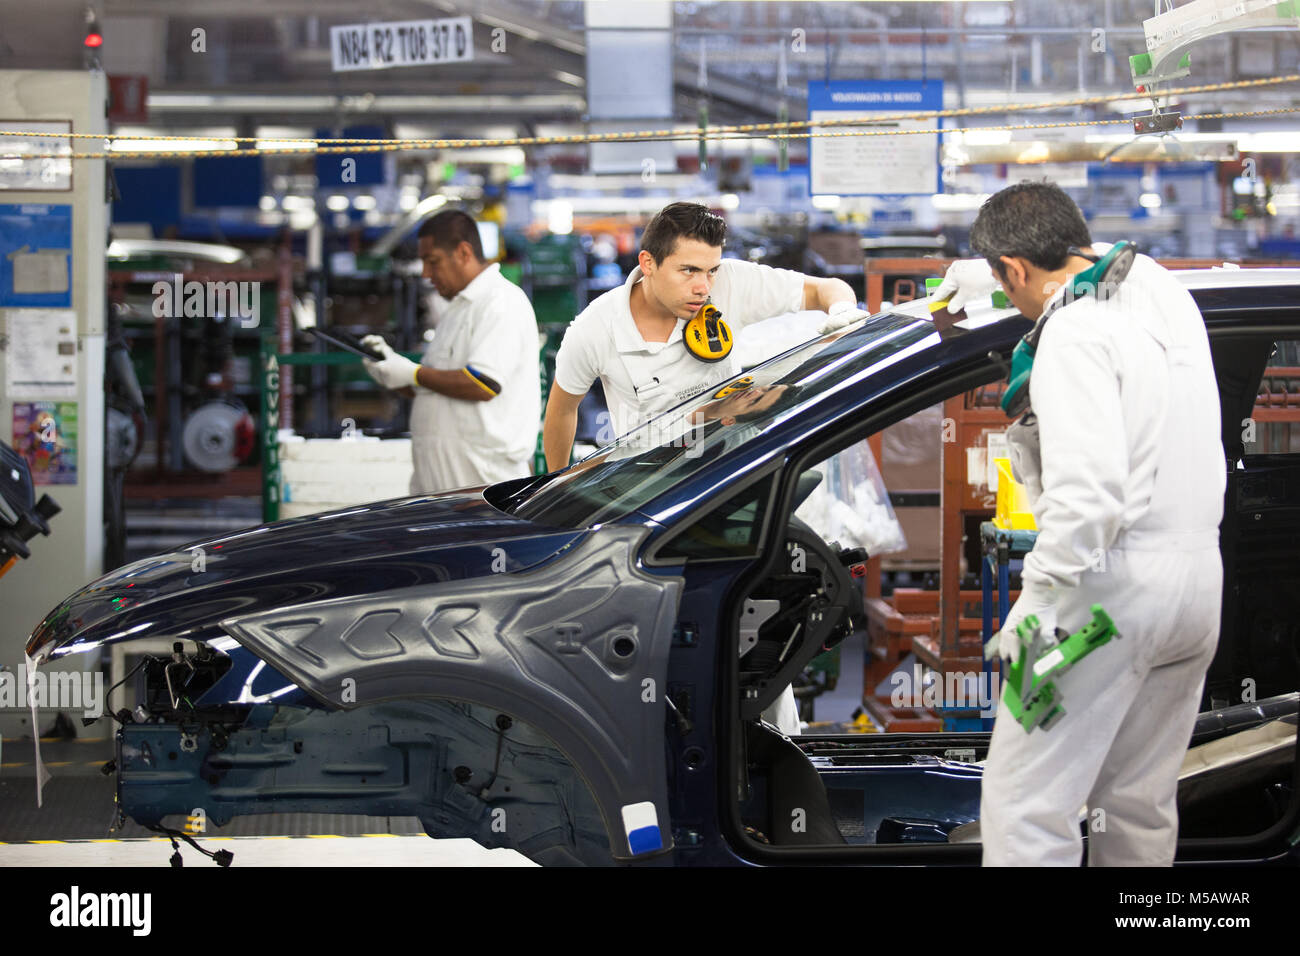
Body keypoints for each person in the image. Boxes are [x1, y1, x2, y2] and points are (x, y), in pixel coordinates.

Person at [932, 181, 1225, 866]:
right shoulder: (1162, 298)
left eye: (1008, 289)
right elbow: (1111, 267)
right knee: (1138, 803)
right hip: (1194, 586)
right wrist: (992, 272)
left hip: (1101, 601)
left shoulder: (1071, 335)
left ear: (1017, 269)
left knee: (1026, 808)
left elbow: (1089, 499)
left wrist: (1036, 605)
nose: (1014, 306)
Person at [542, 201, 867, 472]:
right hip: (646, 486)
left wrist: (841, 310)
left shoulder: (732, 281)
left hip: (729, 471)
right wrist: (556, 488)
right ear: (648, 262)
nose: (704, 286)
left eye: (711, 270)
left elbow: (827, 288)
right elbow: (562, 410)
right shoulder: (596, 328)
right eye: (689, 271)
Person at [362, 209, 541, 494]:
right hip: (441, 485)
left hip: (483, 487)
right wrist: (395, 374)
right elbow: (436, 386)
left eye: (433, 262)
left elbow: (483, 384)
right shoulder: (457, 310)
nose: (426, 274)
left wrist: (414, 373)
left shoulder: (501, 302)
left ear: (464, 253)